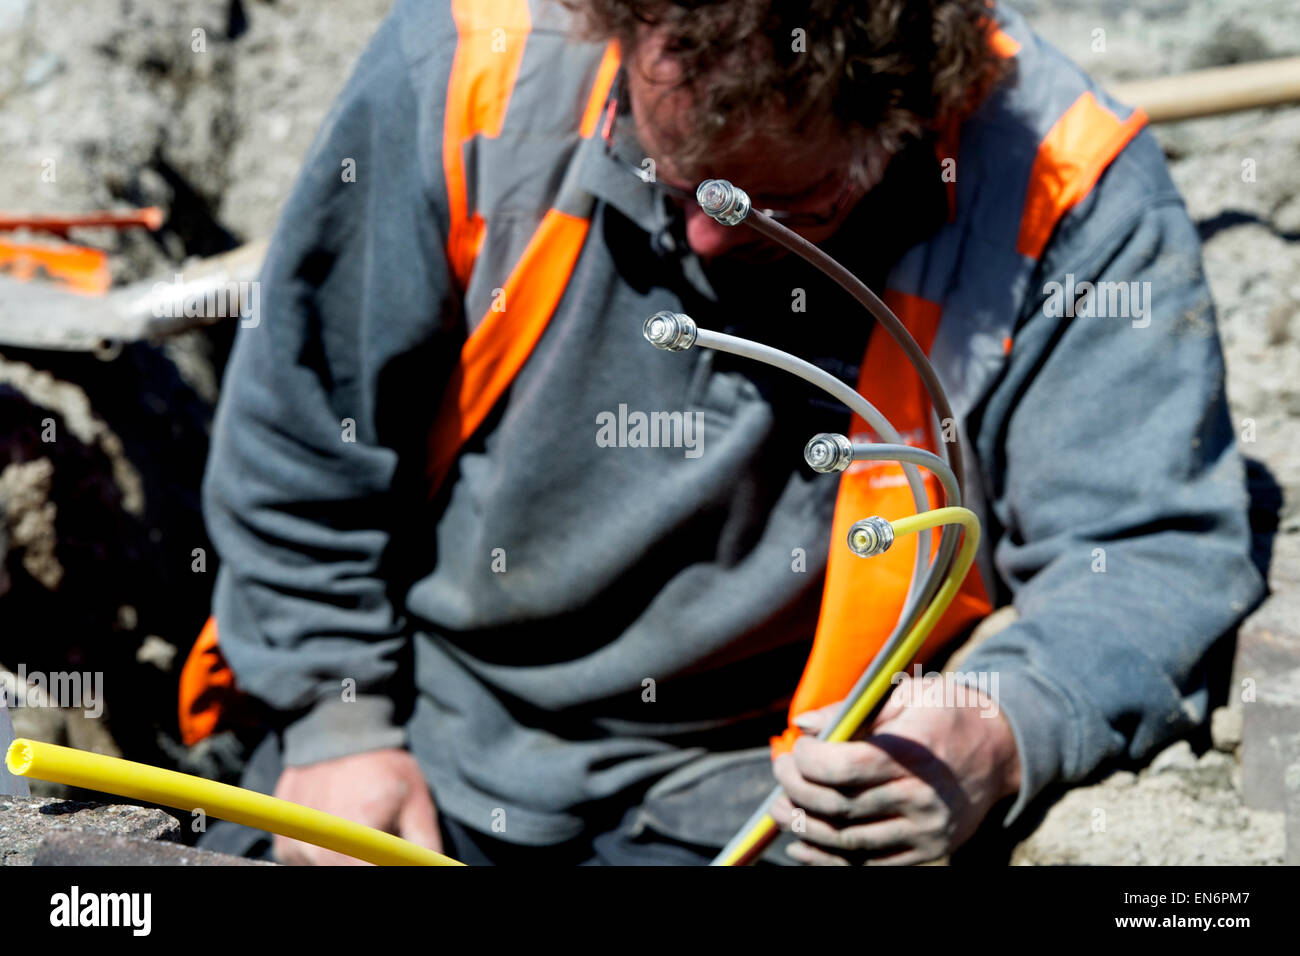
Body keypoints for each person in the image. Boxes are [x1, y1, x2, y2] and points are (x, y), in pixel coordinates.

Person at [193, 0, 1264, 865]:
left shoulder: (1059, 188)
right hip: (430, 739)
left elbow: (1143, 543)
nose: (702, 233)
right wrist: (338, 725)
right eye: (669, 173)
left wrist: (994, 726)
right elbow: (301, 443)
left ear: (909, 117)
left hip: (760, 804)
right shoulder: (468, 73)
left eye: (781, 204)